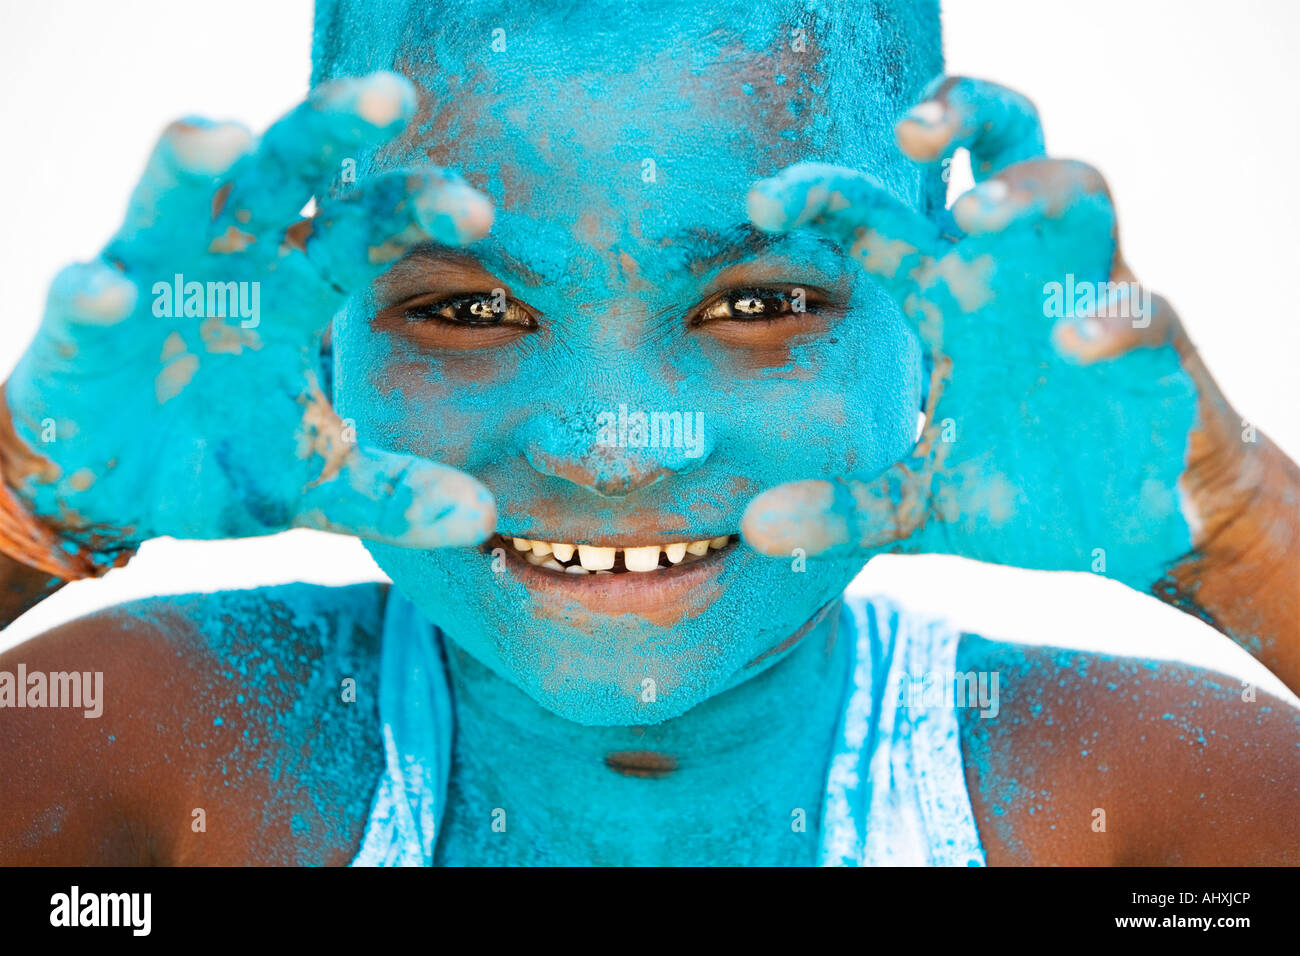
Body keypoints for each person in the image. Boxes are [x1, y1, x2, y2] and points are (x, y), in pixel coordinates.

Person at [0, 0, 1296, 866]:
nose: (612, 446)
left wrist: (1244, 541)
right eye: (466, 307)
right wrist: (24, 511)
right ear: (322, 331)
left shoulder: (1123, 809)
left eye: (761, 304)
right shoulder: (167, 758)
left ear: (935, 319)